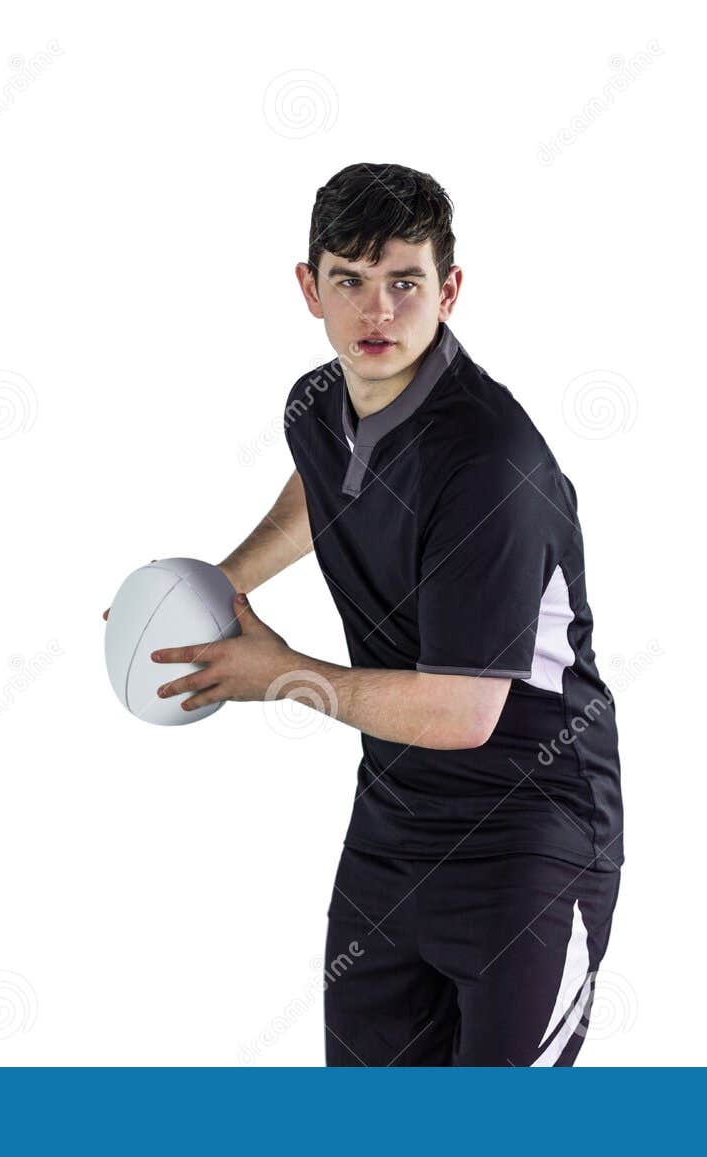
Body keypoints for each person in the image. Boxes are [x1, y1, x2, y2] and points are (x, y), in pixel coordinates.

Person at [113, 163, 623, 1065]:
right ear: (309, 288)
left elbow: (462, 714)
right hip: (390, 831)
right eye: (349, 279)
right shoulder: (318, 404)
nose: (376, 311)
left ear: (449, 289)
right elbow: (326, 484)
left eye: (404, 282)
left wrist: (277, 677)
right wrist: (214, 590)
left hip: (527, 842)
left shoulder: (487, 461)